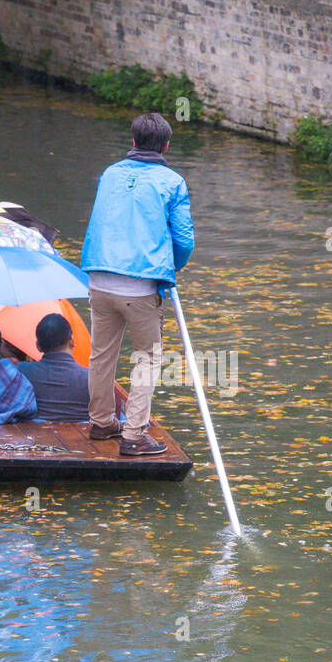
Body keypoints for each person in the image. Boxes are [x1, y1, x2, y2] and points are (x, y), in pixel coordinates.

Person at [80, 112, 194, 456]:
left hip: (99, 278)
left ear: (132, 141)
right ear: (167, 145)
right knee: (147, 358)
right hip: (140, 286)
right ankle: (133, 435)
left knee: (101, 355)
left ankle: (101, 422)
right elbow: (184, 238)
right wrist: (170, 269)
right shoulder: (172, 182)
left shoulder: (110, 174)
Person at [16, 313, 91, 422]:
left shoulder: (22, 371)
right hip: (79, 436)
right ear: (72, 341)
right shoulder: (90, 378)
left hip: (35, 436)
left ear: (38, 346)